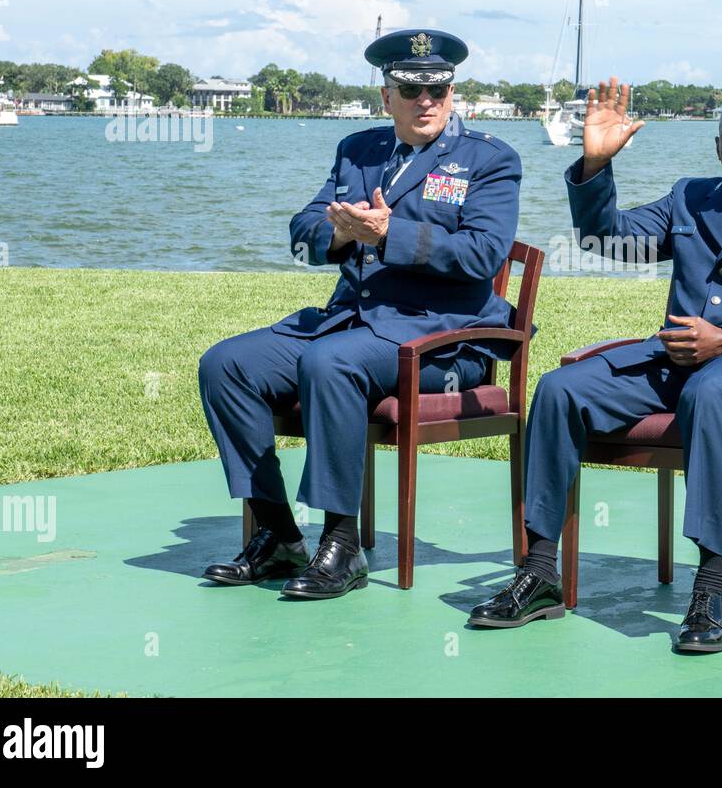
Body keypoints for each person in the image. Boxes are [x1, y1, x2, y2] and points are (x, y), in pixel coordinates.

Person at [468, 72, 722, 652]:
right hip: (674, 360)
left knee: (712, 393)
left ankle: (711, 587)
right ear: (719, 144)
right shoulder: (690, 197)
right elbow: (609, 239)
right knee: (559, 388)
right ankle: (541, 570)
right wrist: (596, 166)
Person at [198, 29, 521, 599]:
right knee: (228, 364)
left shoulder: (490, 159)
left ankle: (342, 545)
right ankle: (276, 534)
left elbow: (482, 255)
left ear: (452, 94)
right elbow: (302, 232)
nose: (427, 102)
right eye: (411, 90)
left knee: (330, 362)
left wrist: (391, 233)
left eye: (439, 91)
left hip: (442, 338)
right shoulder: (358, 150)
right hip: (349, 321)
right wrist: (341, 237)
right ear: (386, 97)